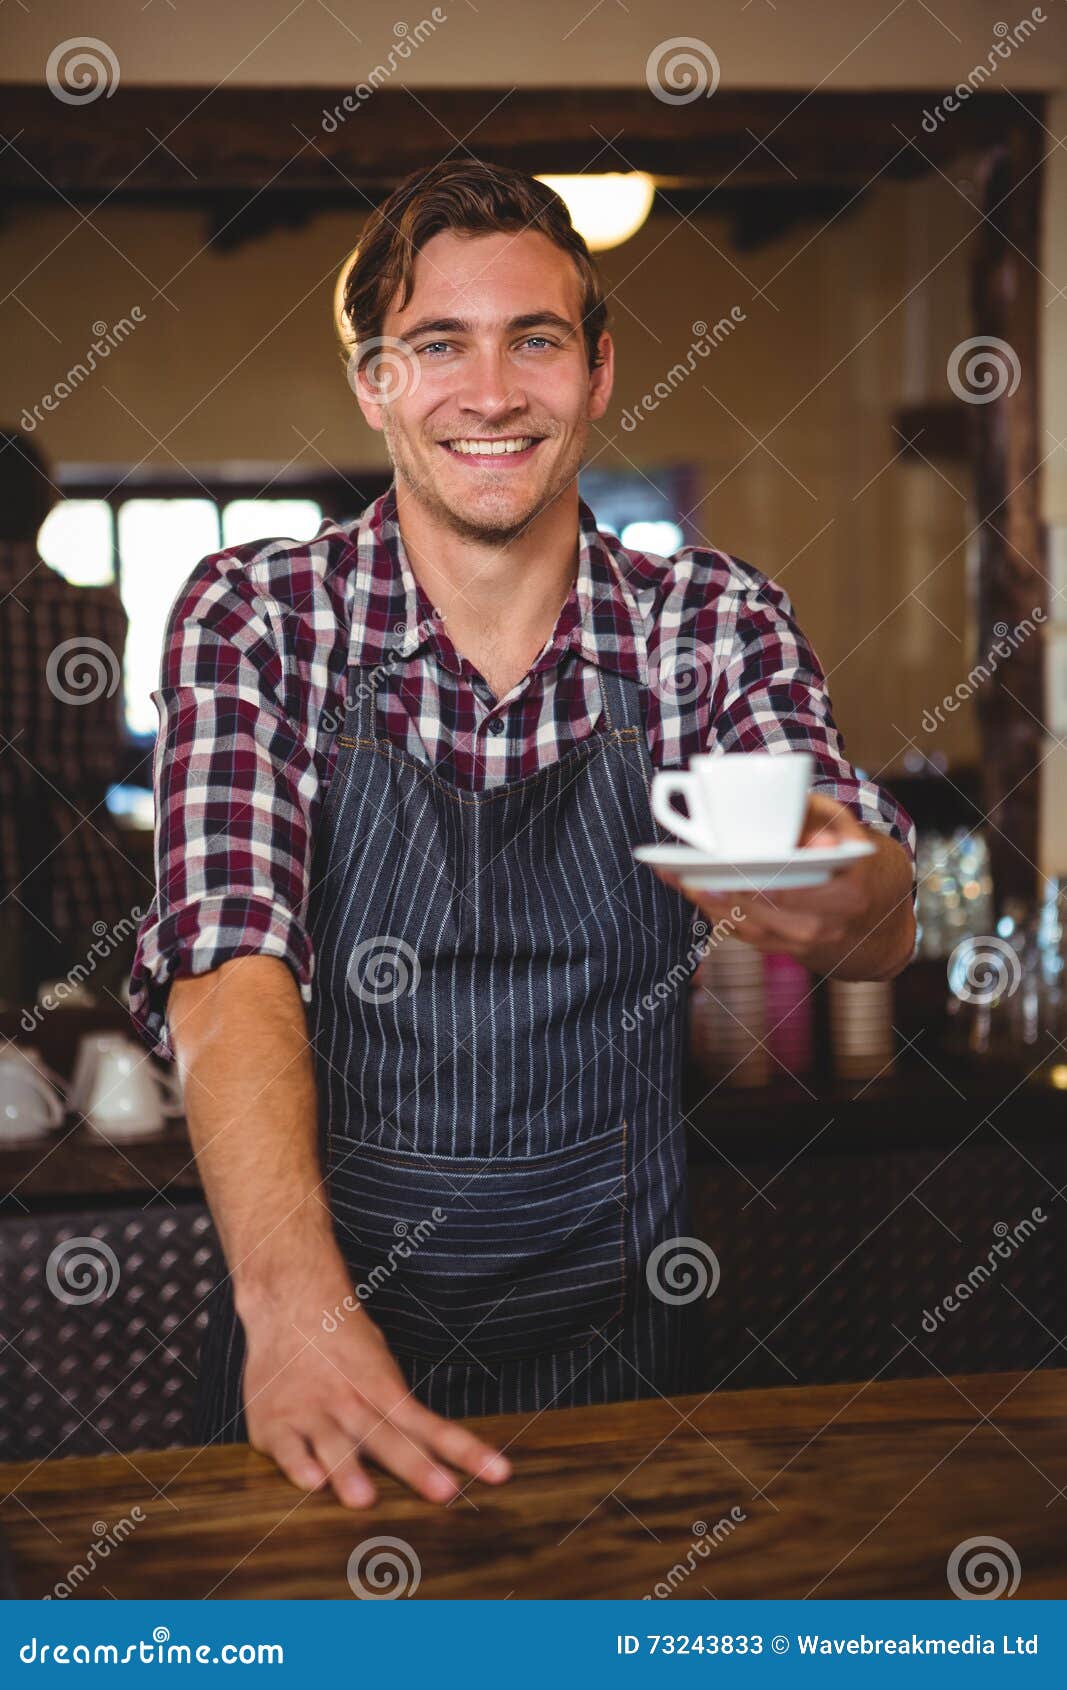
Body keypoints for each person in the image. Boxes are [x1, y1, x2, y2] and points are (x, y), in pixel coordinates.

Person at [129, 158, 917, 1513]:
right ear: (374, 381)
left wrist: (846, 888)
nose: (489, 393)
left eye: (533, 341)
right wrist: (299, 1308)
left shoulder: (706, 623)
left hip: (622, 1365)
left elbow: (870, 909)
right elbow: (226, 955)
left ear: (596, 371)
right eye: (439, 345)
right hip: (324, 1348)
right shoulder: (258, 615)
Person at [0, 430, 138, 1009]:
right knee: (92, 1066)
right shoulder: (97, 610)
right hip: (84, 870)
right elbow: (107, 745)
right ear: (49, 504)